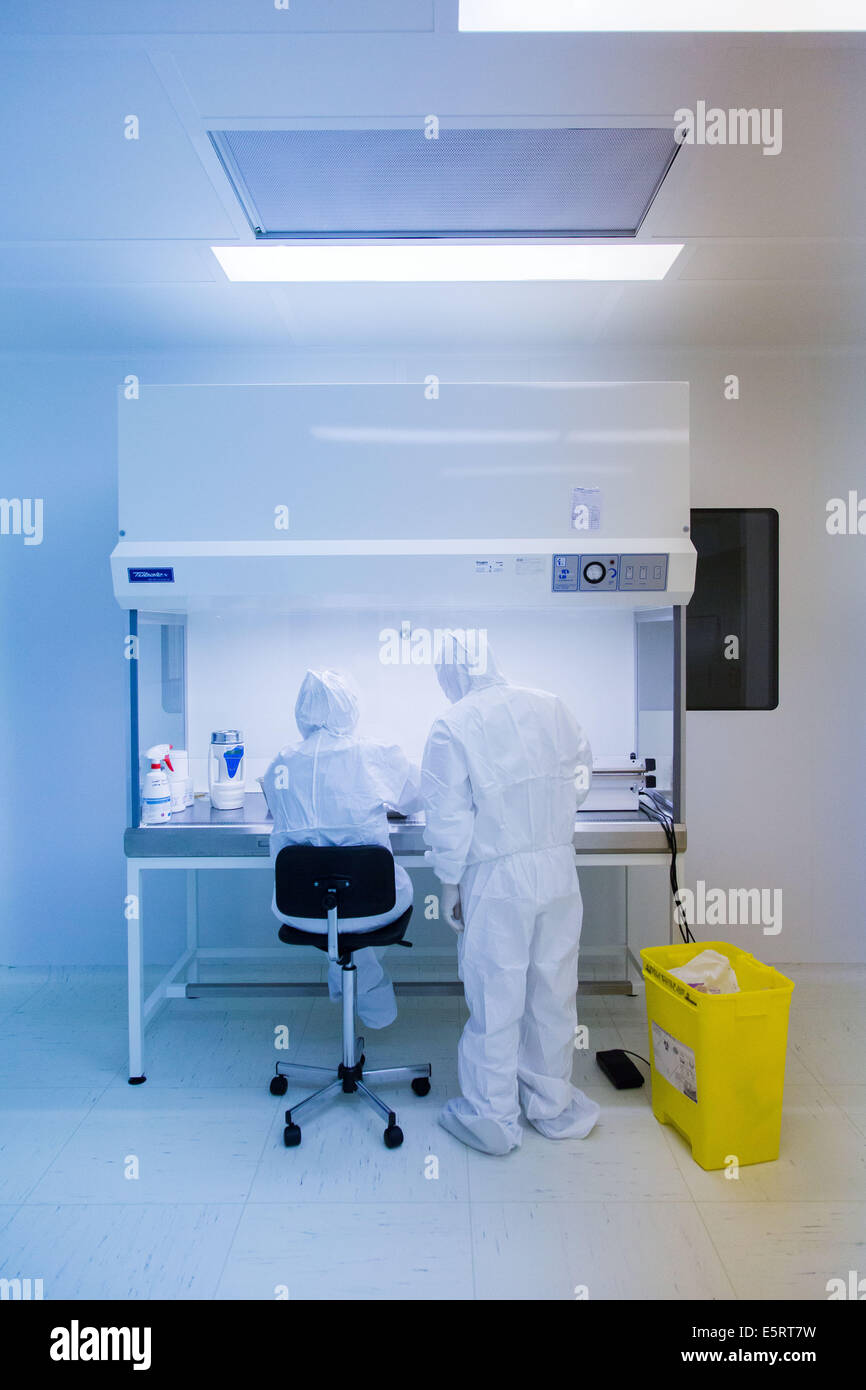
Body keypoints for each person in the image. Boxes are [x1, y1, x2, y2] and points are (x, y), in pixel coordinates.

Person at [421, 636, 600, 1155]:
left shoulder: (451, 725)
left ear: (450, 674)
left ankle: (492, 1119)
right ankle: (552, 1106)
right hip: (556, 863)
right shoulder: (553, 706)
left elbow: (449, 819)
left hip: (497, 877)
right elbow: (581, 780)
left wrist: (450, 882)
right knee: (553, 989)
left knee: (495, 996)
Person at [262, 669, 421, 1029]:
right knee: (365, 898)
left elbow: (274, 800)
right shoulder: (373, 754)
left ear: (300, 710)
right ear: (350, 707)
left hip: (301, 908)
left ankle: (351, 983)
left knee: (339, 910)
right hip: (375, 905)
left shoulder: (282, 762)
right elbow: (416, 797)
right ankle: (370, 994)